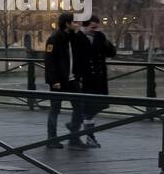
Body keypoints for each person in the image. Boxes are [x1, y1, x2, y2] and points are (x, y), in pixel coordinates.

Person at [43, 12, 90, 149]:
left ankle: (74, 138)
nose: (78, 24)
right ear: (67, 23)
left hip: (72, 80)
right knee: (55, 109)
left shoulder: (74, 37)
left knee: (80, 107)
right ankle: (51, 138)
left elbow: (86, 46)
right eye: (75, 22)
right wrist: (53, 80)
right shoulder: (54, 38)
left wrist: (79, 32)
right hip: (58, 81)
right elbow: (49, 61)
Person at [80, 15, 116, 147]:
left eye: (97, 26)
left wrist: (105, 40)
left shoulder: (100, 37)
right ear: (85, 26)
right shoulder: (79, 38)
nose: (95, 29)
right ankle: (89, 136)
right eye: (92, 26)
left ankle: (78, 123)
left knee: (100, 105)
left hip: (99, 78)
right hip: (86, 78)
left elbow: (112, 53)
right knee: (89, 108)